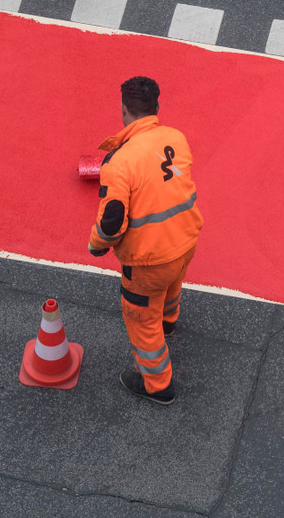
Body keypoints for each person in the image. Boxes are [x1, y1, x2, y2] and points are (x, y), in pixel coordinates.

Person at [88, 76, 203, 405]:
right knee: (170, 286)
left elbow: (111, 221)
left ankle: (157, 384)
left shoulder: (119, 162)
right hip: (186, 240)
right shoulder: (175, 138)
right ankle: (169, 321)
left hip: (149, 259)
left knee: (141, 320)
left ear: (124, 110)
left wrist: (96, 244)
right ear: (157, 107)